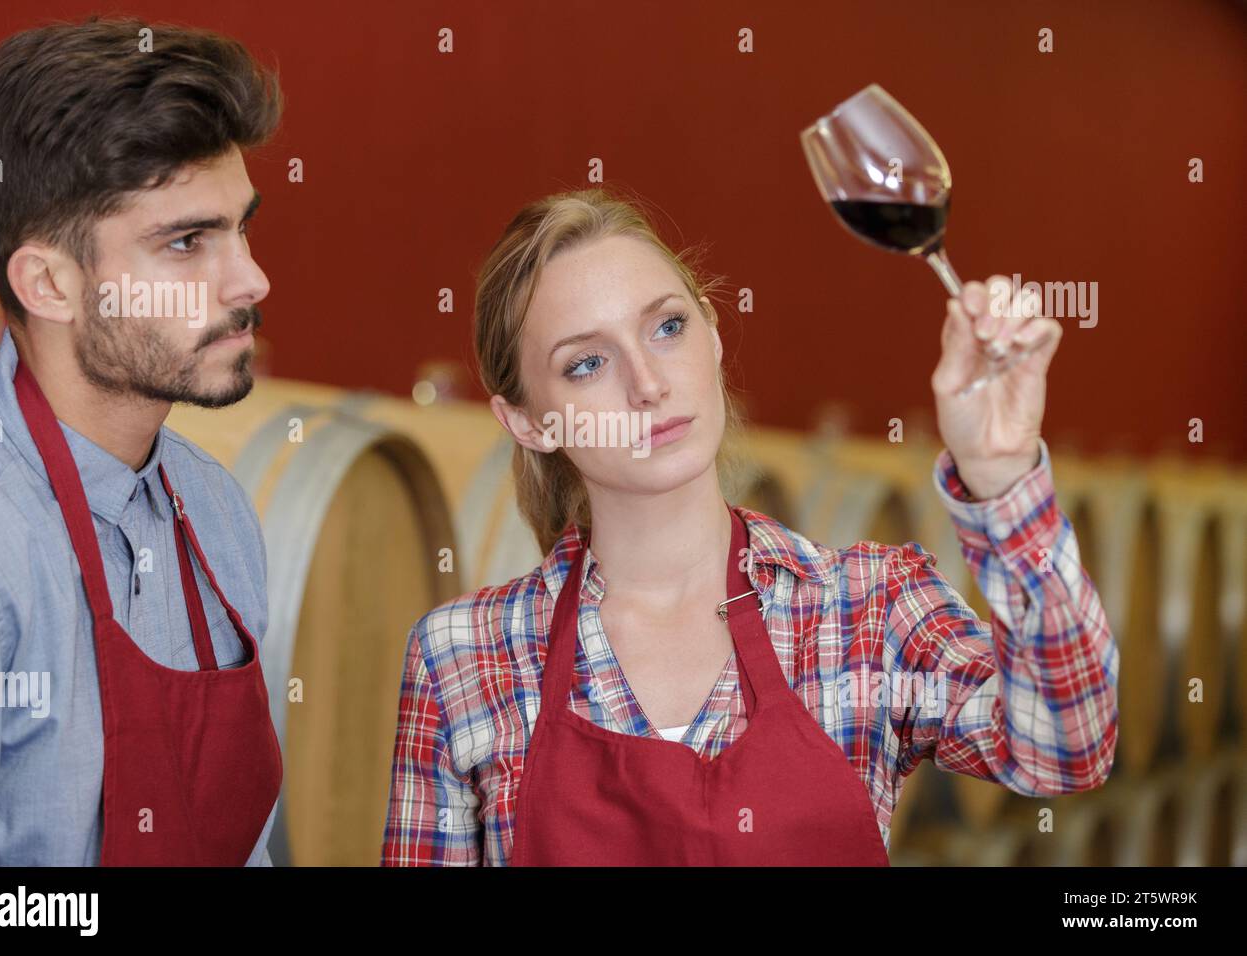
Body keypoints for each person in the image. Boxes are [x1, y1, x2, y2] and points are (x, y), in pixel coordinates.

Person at [379, 187, 1119, 866]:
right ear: (529, 423)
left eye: (667, 327)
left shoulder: (865, 606)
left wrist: (1000, 474)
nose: (648, 383)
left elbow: (1065, 747)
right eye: (585, 364)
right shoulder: (463, 659)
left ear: (714, 332)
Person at [0, 17, 284, 865]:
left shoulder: (215, 509)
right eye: (186, 242)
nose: (251, 280)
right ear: (49, 284)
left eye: (242, 227)